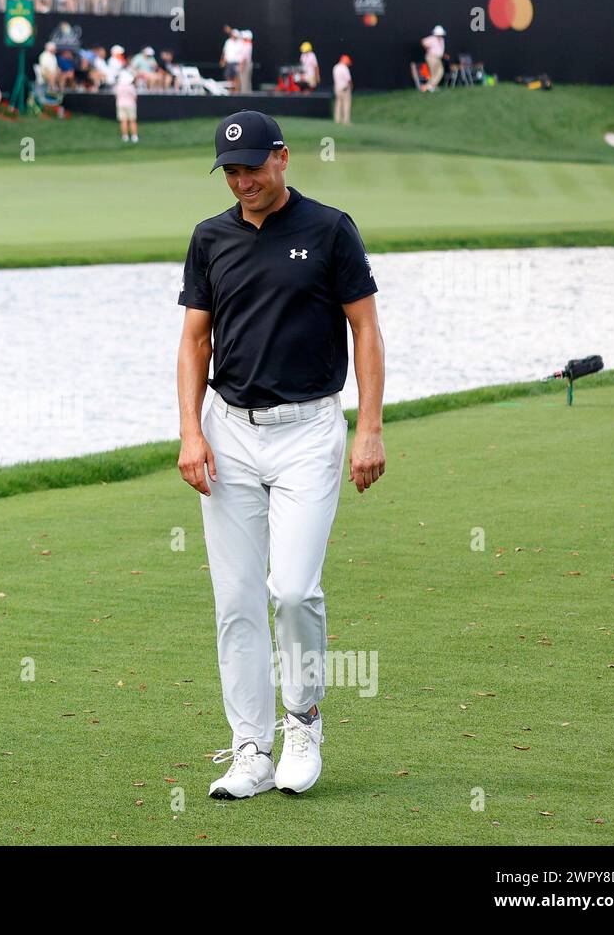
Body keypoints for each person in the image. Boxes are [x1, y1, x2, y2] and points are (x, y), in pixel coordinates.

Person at [176, 110, 385, 801]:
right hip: (228, 430)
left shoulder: (330, 230)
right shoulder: (210, 238)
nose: (243, 182)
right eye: (232, 172)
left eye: (253, 168)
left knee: (292, 589)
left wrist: (370, 428)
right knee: (235, 599)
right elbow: (194, 344)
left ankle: (304, 720)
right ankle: (249, 750)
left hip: (307, 430)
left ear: (284, 158)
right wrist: (190, 431)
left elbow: (366, 331)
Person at [114, 69, 137, 143]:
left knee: (123, 121)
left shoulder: (118, 87)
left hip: (120, 105)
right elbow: (135, 97)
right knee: (132, 121)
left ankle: (125, 136)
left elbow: (116, 96)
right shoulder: (131, 87)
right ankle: (134, 136)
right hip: (131, 105)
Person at [420, 25, 446, 92]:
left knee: (439, 71)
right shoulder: (432, 38)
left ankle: (430, 86)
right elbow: (423, 42)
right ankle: (429, 86)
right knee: (435, 72)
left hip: (438, 58)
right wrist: (427, 48)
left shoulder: (442, 40)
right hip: (432, 57)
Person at [332, 54, 352, 125]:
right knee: (346, 104)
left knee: (338, 103)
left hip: (337, 87)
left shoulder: (336, 67)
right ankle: (346, 121)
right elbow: (348, 80)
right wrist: (351, 86)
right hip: (345, 88)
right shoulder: (344, 68)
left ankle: (337, 119)